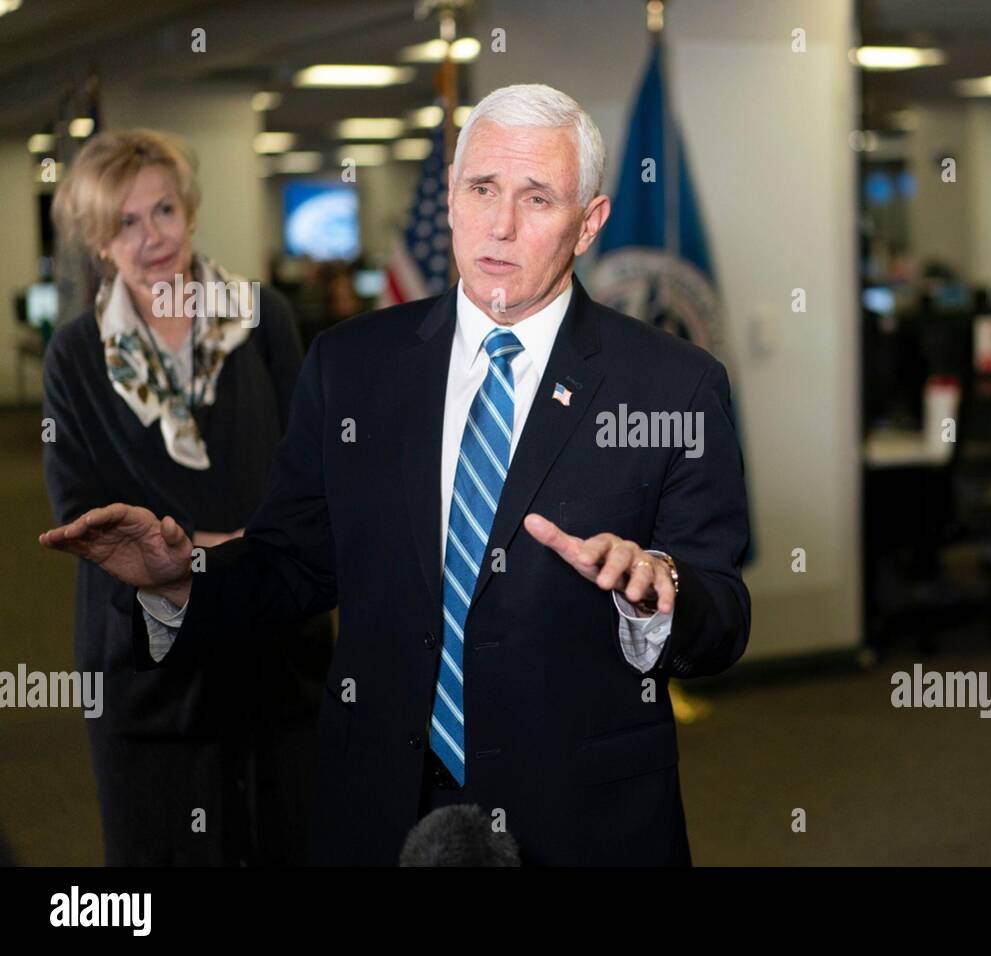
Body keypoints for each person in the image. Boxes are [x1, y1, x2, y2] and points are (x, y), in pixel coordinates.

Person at [40, 85, 751, 866]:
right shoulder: (351, 366)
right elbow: (293, 560)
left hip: (584, 816)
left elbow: (723, 608)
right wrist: (180, 581)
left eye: (537, 198)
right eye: (481, 189)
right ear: (450, 197)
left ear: (590, 224)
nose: (501, 225)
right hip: (380, 805)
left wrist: (660, 591)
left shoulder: (672, 384)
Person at [43, 128, 333, 865]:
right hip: (148, 673)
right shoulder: (76, 355)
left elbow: (311, 481)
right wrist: (210, 557)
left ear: (191, 211)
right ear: (98, 242)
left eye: (163, 210)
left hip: (277, 655)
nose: (152, 238)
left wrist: (209, 556)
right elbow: (81, 516)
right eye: (125, 223)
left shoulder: (263, 319)